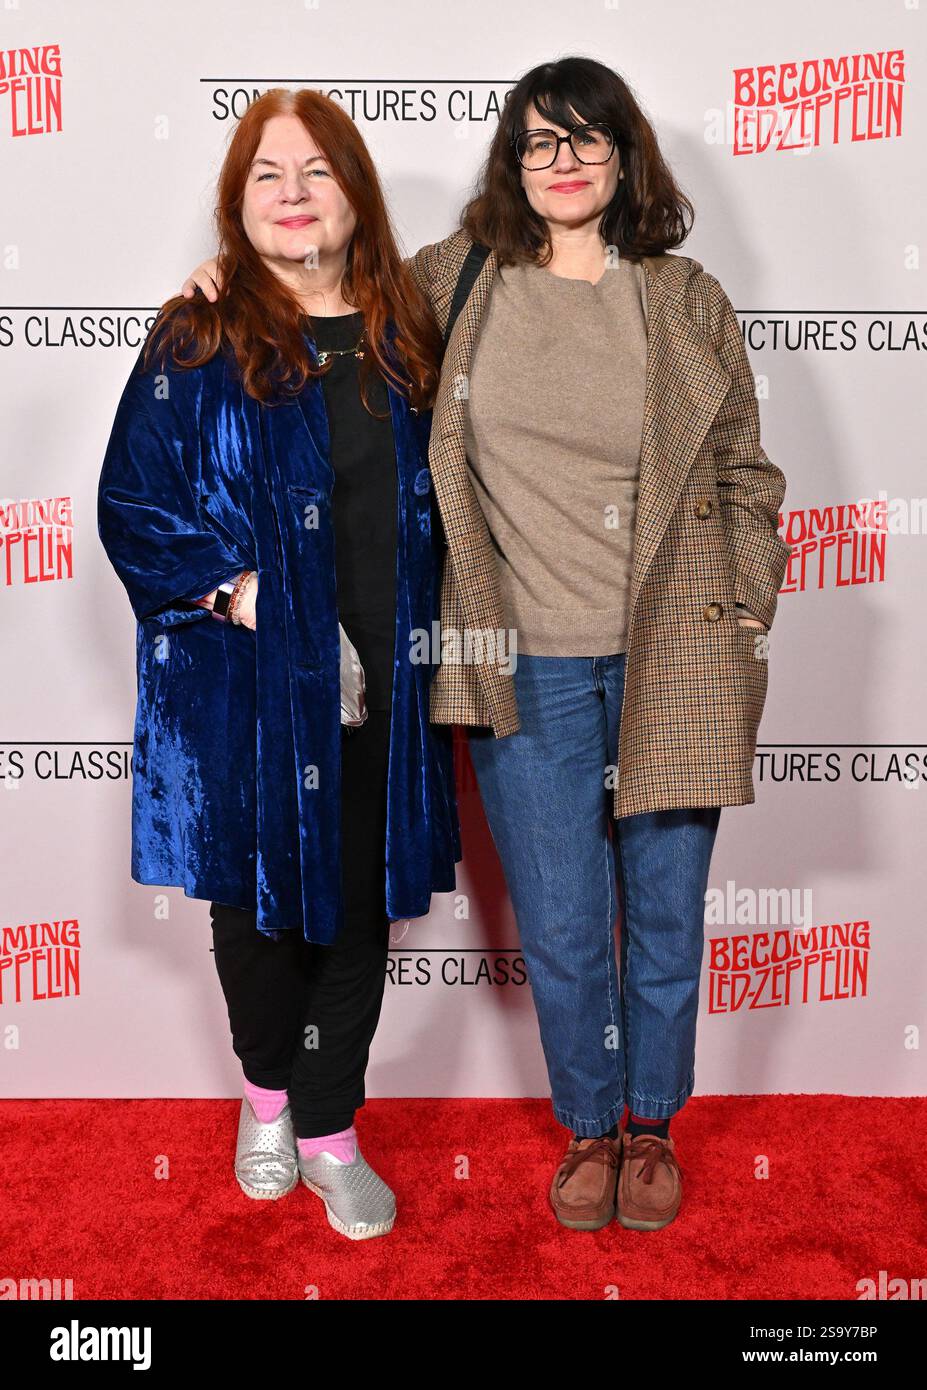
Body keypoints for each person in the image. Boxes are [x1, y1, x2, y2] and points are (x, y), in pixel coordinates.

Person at [179, 57, 791, 1235]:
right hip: (521, 663)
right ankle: (588, 1124)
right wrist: (229, 278)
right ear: (513, 163)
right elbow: (323, 299)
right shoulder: (453, 282)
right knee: (561, 921)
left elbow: (744, 470)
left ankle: (652, 1122)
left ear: (625, 159)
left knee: (664, 909)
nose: (563, 164)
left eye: (587, 141)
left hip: (676, 649)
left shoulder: (685, 295)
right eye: (538, 144)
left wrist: (752, 603)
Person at [98, 87, 459, 1242]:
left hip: (383, 690)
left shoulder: (414, 332)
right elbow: (130, 502)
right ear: (236, 205)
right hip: (246, 688)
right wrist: (234, 589)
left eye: (317, 171)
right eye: (268, 174)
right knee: (258, 914)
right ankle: (265, 1103)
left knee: (354, 915)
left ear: (355, 194)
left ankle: (329, 1129)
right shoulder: (197, 335)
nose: (294, 194)